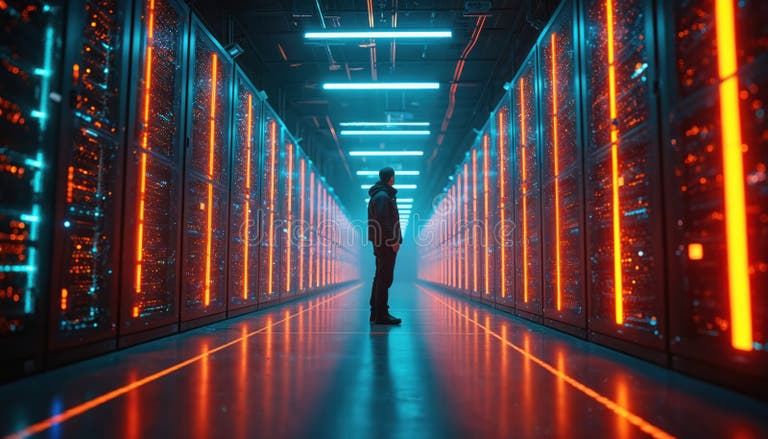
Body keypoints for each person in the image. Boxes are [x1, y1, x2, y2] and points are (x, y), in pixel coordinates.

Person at [367, 167, 403, 325]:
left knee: (380, 276)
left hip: (381, 241)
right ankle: (381, 314)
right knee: (385, 277)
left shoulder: (380, 195)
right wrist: (393, 239)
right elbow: (383, 220)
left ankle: (375, 312)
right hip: (385, 242)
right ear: (391, 178)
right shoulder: (383, 196)